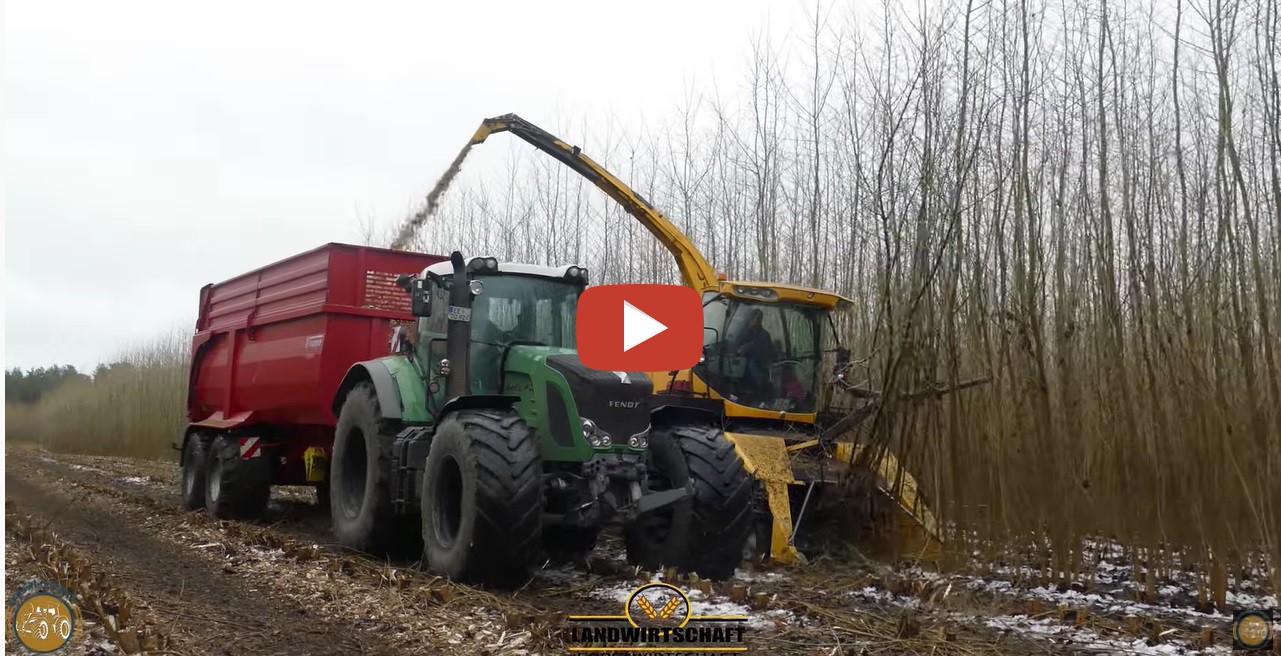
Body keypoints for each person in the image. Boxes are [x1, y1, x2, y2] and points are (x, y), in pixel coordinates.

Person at [735, 309, 775, 401]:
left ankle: (762, 389)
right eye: (755, 319)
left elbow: (770, 352)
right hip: (742, 366)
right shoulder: (743, 333)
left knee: (753, 364)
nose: (757, 321)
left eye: (759, 319)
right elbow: (736, 351)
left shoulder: (765, 335)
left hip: (761, 364)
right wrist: (742, 349)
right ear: (750, 319)